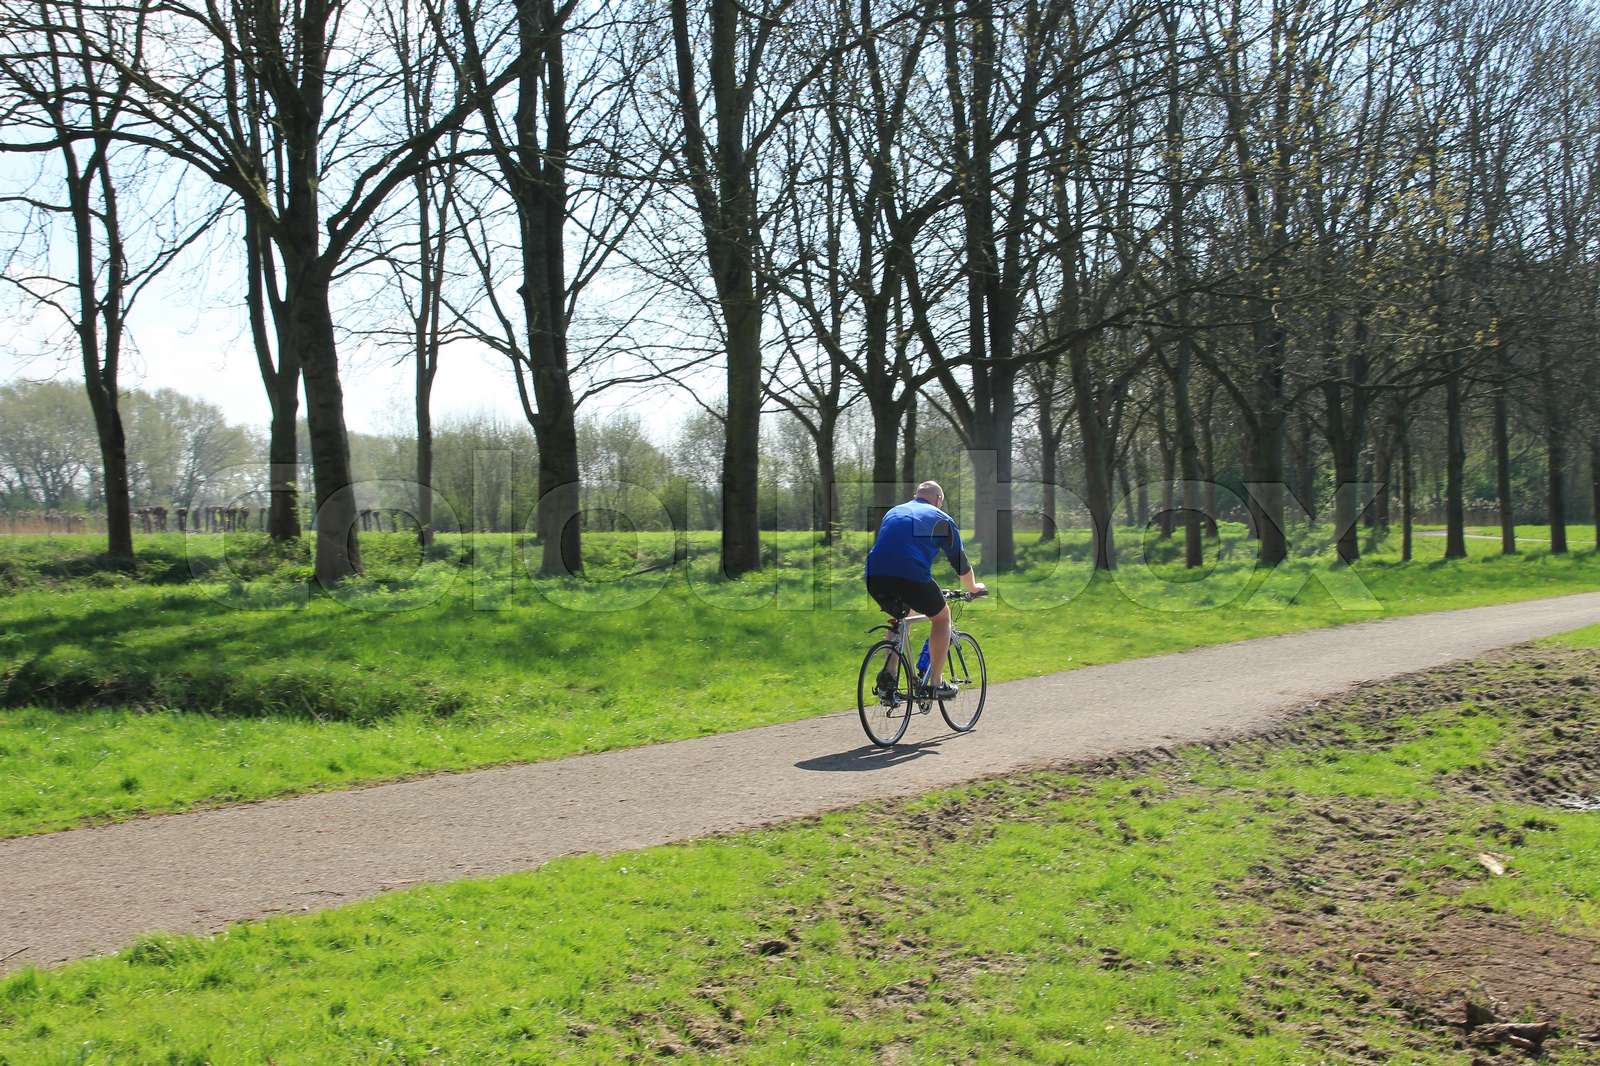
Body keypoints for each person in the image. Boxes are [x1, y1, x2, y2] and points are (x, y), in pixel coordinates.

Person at [864, 481, 986, 699]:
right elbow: (960, 563)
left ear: (916, 496)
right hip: (909, 574)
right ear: (938, 500)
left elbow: (893, 546)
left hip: (874, 576)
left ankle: (889, 674)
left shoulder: (894, 512)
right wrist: (974, 588)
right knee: (941, 618)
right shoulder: (941, 519)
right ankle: (936, 683)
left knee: (902, 616)